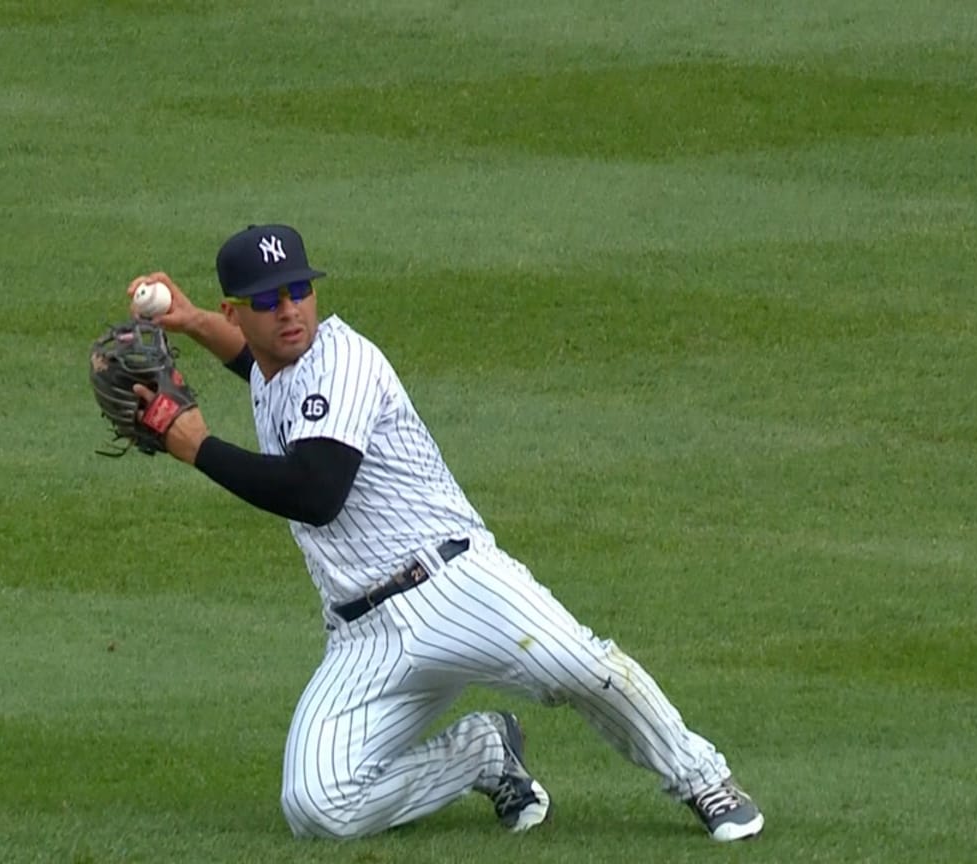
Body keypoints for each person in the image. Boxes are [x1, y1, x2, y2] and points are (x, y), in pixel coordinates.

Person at [127, 223, 764, 842]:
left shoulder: (345, 358)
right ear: (236, 313)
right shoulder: (275, 364)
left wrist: (198, 447)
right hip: (362, 636)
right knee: (317, 807)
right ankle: (483, 754)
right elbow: (257, 363)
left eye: (300, 291)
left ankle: (702, 778)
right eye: (267, 300)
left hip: (457, 584)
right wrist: (190, 322)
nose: (290, 310)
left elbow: (315, 495)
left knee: (580, 667)